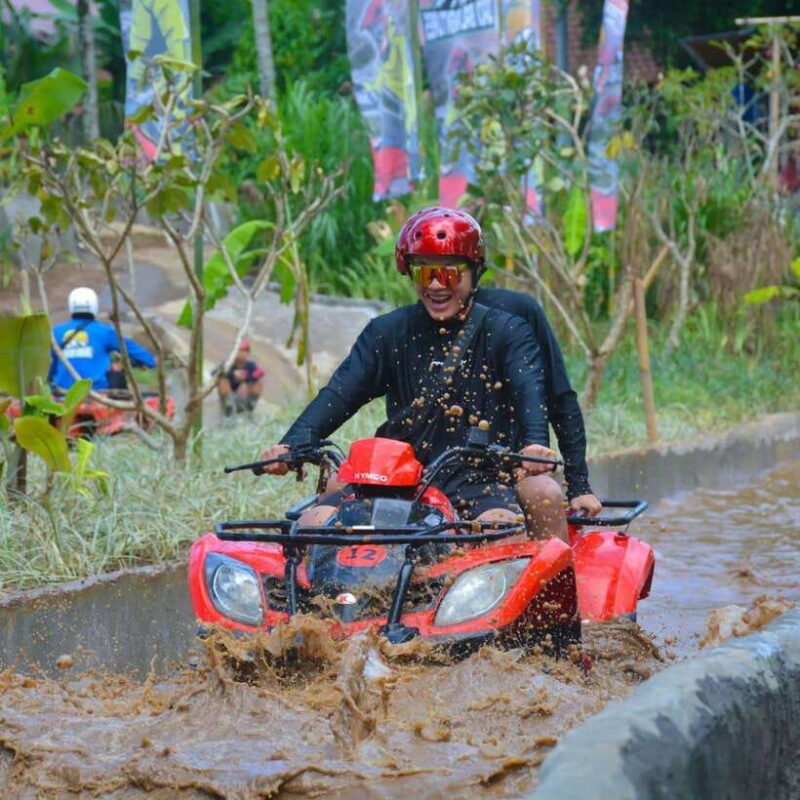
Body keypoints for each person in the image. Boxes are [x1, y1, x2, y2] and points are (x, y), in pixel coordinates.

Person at [260, 208, 558, 534]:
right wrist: (291, 445)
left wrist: (534, 445)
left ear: (475, 271)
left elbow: (530, 391)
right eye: (423, 273)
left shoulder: (507, 331)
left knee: (497, 528)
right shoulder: (386, 333)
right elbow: (339, 394)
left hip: (480, 479)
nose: (435, 285)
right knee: (313, 524)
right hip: (394, 477)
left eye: (448, 273)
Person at [50, 287, 156, 391]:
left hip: (63, 392)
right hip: (97, 391)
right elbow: (148, 360)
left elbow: (49, 366)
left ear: (71, 306)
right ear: (95, 306)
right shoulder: (106, 332)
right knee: (116, 375)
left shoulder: (55, 332)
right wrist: (129, 364)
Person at [216, 339, 265, 417]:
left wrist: (247, 378)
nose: (242, 354)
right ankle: (227, 405)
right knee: (222, 381)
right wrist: (233, 374)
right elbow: (216, 373)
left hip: (243, 393)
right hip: (229, 391)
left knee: (257, 383)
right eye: (240, 351)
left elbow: (260, 372)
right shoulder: (228, 364)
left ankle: (250, 404)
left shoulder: (250, 365)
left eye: (245, 351)